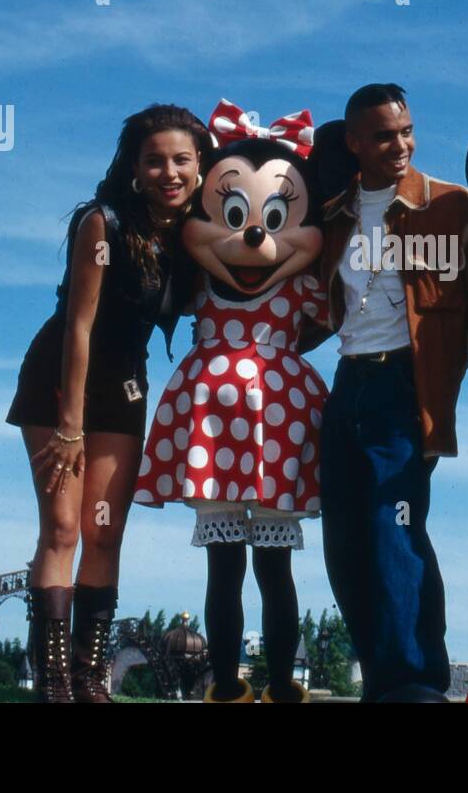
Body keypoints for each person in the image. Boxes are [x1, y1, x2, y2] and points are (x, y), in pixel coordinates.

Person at [313, 83, 468, 702]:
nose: (401, 144)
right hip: (348, 383)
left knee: (395, 529)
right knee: (344, 539)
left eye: (406, 130)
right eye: (384, 135)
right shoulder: (336, 214)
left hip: (406, 388)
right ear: (354, 142)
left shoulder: (453, 210)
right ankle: (382, 677)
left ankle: (416, 684)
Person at [6, 104, 208, 703]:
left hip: (125, 382)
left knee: (106, 531)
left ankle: (92, 679)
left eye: (181, 160)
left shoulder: (194, 234)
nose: (168, 172)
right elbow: (78, 326)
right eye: (155, 161)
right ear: (134, 166)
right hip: (61, 378)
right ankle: (52, 681)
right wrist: (69, 423)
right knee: (63, 527)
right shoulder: (104, 223)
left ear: (200, 166)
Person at [133, 99, 331, 703]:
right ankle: (224, 684)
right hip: (217, 428)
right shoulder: (196, 278)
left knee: (273, 568)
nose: (252, 234)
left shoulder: (301, 282)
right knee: (225, 564)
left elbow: (334, 317)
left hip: (274, 426)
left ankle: (277, 686)